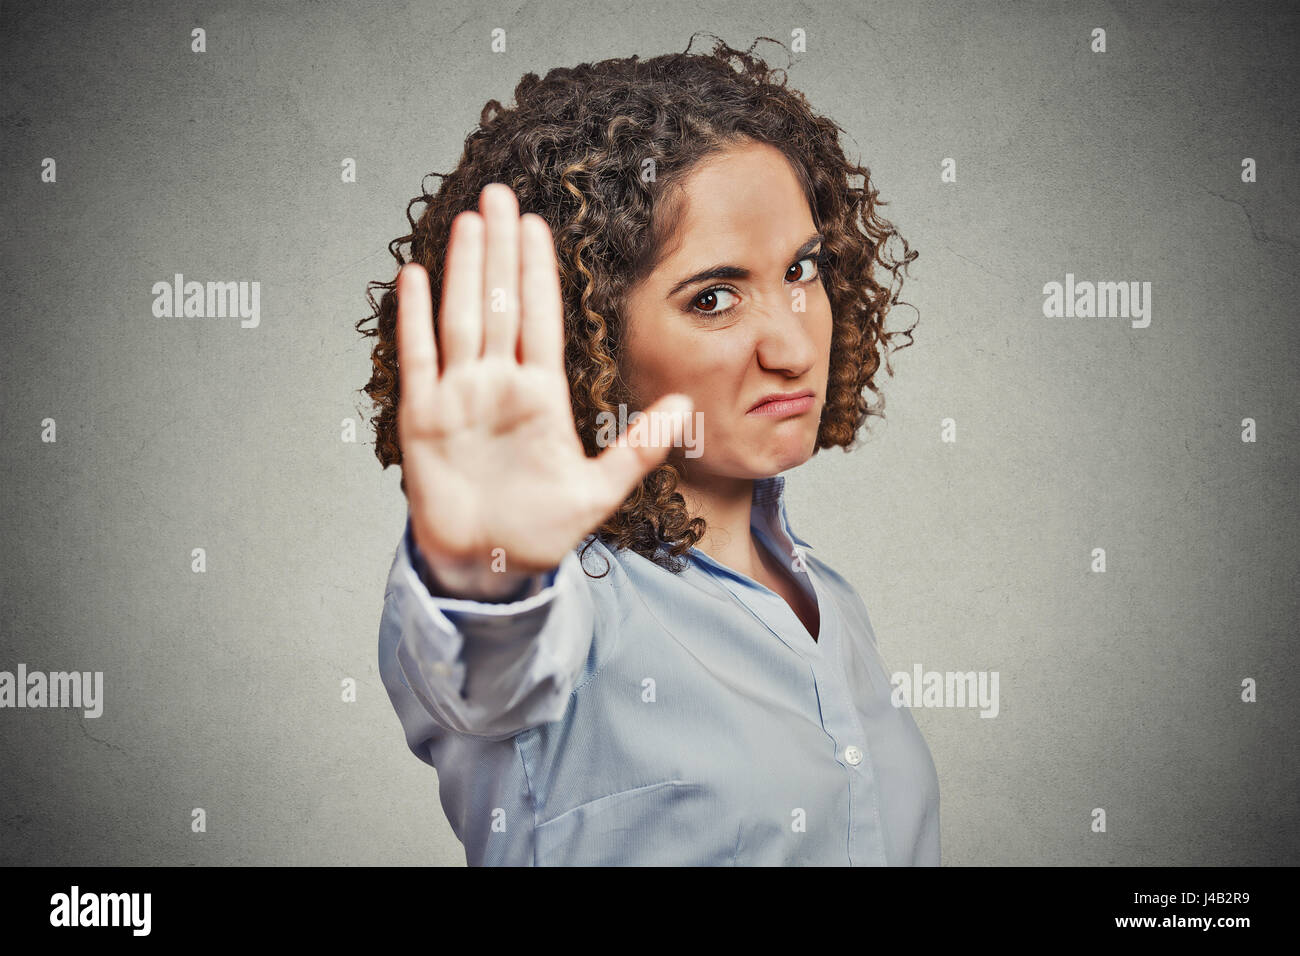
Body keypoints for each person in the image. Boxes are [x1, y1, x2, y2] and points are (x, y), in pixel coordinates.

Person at [358, 35, 939, 865]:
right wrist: (483, 572)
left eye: (803, 269)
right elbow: (481, 669)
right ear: (583, 339)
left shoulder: (827, 600)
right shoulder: (562, 600)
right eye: (714, 297)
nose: (794, 344)